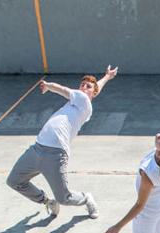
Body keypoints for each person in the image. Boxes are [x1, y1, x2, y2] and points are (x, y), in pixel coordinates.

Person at [7, 67, 119, 219]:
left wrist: (49, 86)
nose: (84, 86)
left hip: (56, 154)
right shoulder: (78, 102)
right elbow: (96, 88)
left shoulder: (84, 100)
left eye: (88, 86)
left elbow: (63, 89)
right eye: (82, 84)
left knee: (64, 198)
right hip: (36, 149)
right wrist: (107, 76)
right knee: (14, 181)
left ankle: (86, 198)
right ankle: (47, 201)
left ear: (93, 93)